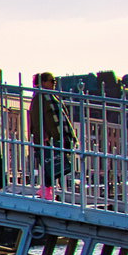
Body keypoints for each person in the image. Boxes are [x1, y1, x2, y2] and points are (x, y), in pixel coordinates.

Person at [28, 71, 75, 200]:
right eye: (51, 81)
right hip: (47, 139)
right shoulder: (39, 97)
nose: (54, 83)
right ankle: (46, 190)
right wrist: (43, 135)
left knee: (56, 164)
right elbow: (36, 118)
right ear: (43, 82)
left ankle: (47, 189)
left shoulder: (52, 97)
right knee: (51, 164)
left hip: (57, 137)